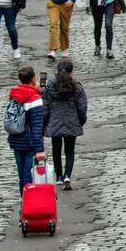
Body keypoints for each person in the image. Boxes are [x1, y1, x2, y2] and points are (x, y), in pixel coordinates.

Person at [44, 59, 87, 190]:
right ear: (71, 71)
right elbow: (82, 108)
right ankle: (67, 175)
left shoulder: (50, 86)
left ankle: (58, 176)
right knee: (69, 151)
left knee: (56, 150)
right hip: (71, 121)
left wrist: (45, 123)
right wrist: (80, 121)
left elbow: (45, 106)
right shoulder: (77, 87)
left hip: (54, 122)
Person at [5, 66, 46, 194]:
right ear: (33, 79)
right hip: (29, 144)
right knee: (29, 177)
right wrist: (39, 149)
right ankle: (29, 206)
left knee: (22, 176)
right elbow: (37, 125)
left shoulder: (14, 94)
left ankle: (24, 203)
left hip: (16, 142)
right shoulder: (35, 99)